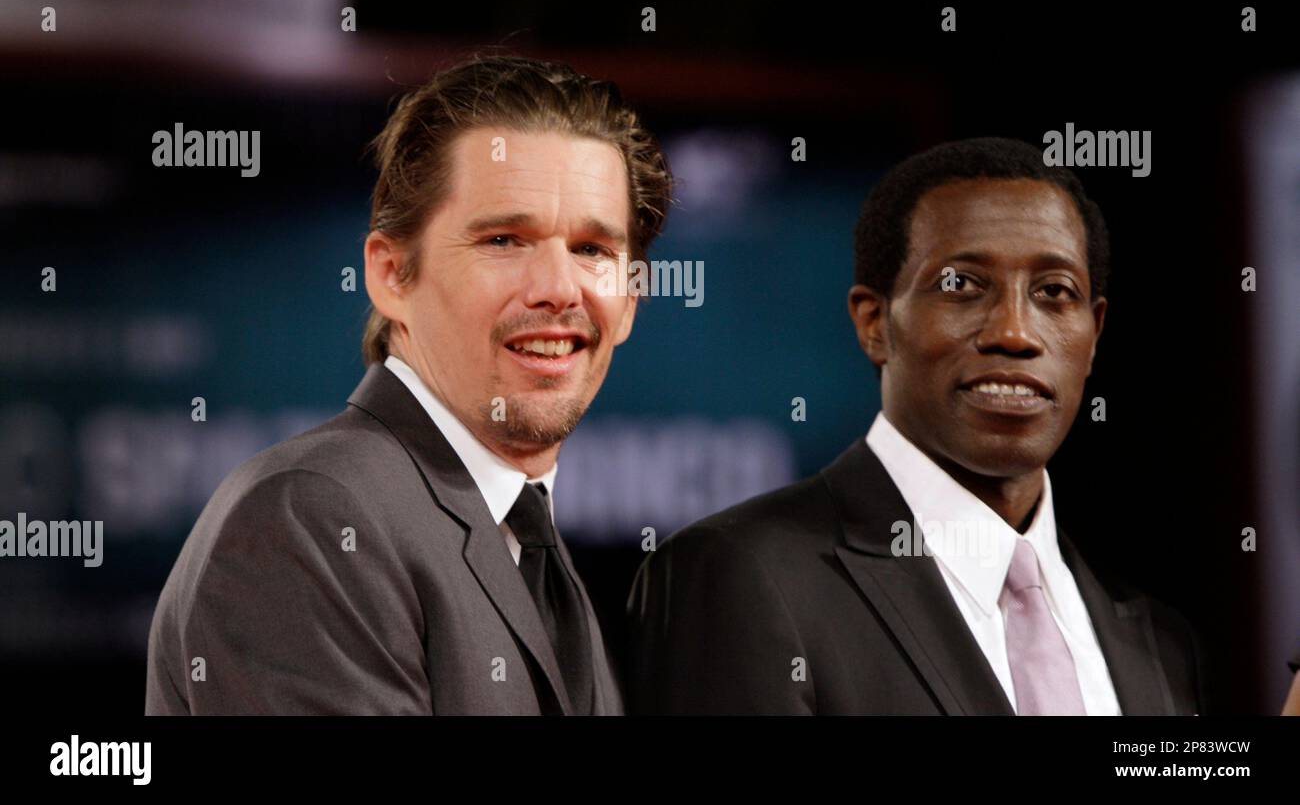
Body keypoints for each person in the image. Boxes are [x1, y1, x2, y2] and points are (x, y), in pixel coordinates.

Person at [146, 54, 672, 714]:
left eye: (593, 251)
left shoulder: (526, 535)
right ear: (392, 274)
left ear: (628, 301)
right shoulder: (311, 517)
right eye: (505, 240)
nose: (558, 289)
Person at [627, 137, 1205, 715]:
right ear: (875, 323)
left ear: (1094, 334)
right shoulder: (735, 577)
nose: (1015, 332)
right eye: (962, 285)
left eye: (1054, 293)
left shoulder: (1158, 644)